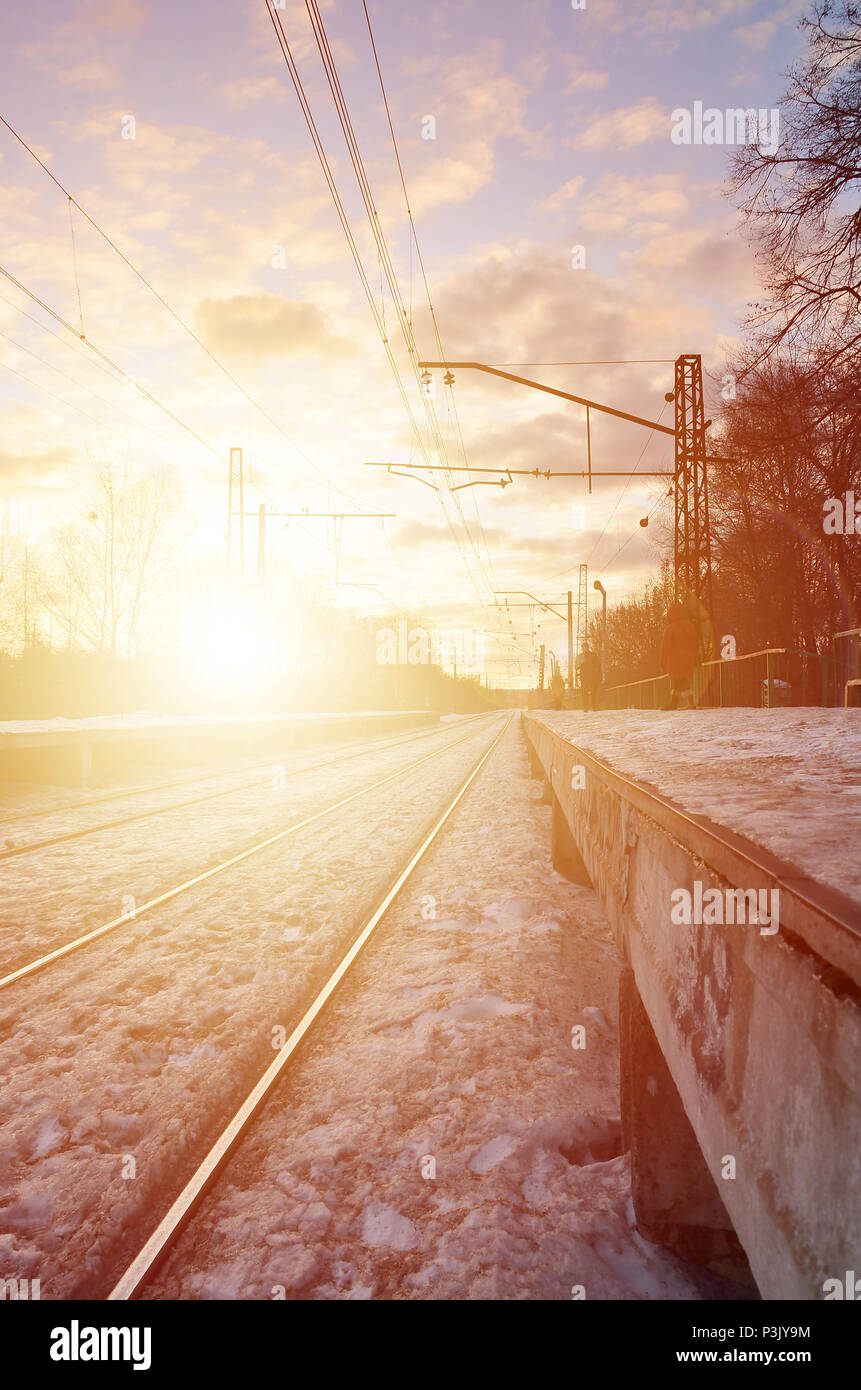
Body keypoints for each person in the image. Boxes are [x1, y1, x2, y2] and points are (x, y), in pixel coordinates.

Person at [660, 602, 698, 709]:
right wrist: (695, 658)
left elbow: (665, 647)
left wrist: (662, 664)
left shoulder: (671, 628)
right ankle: (674, 703)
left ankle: (690, 703)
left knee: (681, 680)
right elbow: (695, 644)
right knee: (679, 681)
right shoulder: (690, 626)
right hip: (688, 659)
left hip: (676, 660)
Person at [579, 643, 602, 712]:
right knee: (585, 692)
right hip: (584, 677)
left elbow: (598, 665)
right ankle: (586, 707)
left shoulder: (593, 655)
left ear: (587, 647)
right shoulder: (580, 657)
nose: (584, 649)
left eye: (585, 647)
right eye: (583, 648)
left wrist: (597, 673)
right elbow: (577, 666)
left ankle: (593, 706)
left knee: (592, 692)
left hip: (592, 676)